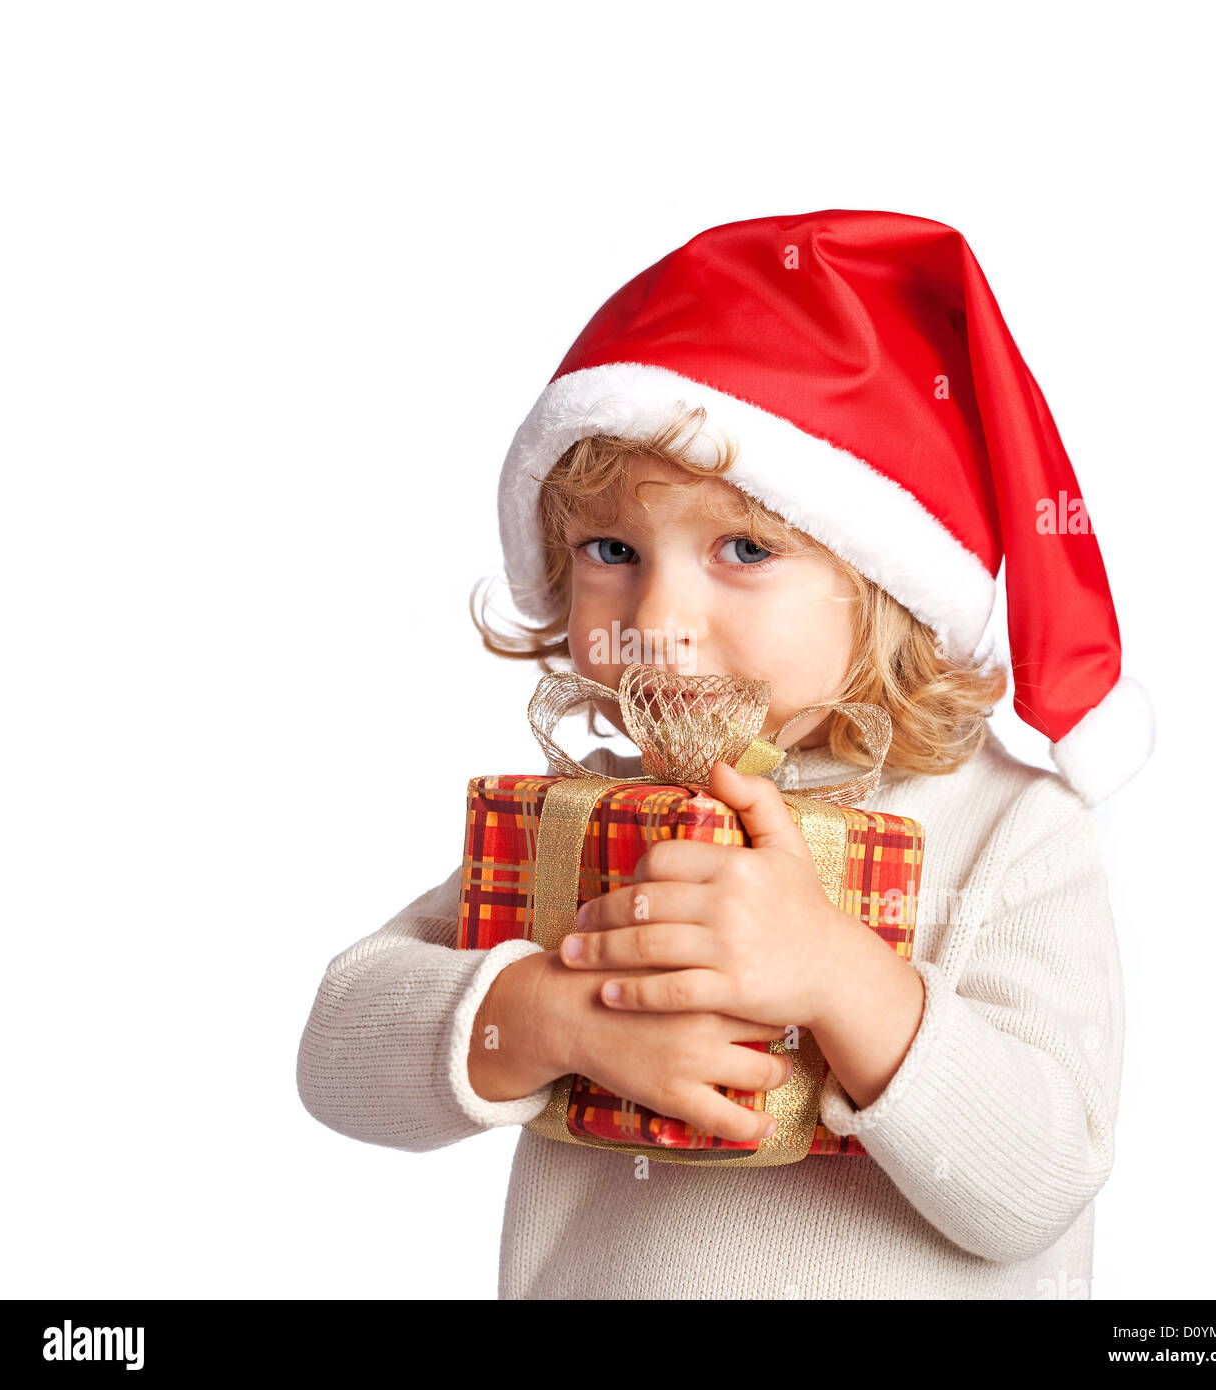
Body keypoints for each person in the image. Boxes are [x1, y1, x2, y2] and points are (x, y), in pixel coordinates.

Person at [296, 209, 1155, 1299]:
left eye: (745, 549)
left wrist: (842, 979)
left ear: (885, 577)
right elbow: (335, 1052)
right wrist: (550, 1017)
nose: (660, 615)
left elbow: (1041, 1181)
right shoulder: (589, 825)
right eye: (610, 550)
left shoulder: (1007, 832)